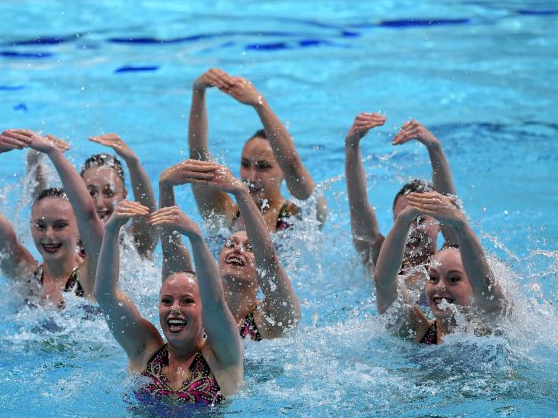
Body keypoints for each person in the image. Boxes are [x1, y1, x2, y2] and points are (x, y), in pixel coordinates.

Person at [94, 201, 243, 406]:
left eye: (187, 301)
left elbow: (216, 303)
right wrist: (111, 231)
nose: (174, 309)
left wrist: (196, 238)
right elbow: (105, 296)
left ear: (204, 309)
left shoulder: (222, 356)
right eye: (166, 301)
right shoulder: (145, 349)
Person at [159, 159, 300, 340]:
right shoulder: (195, 311)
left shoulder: (269, 321)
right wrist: (165, 186)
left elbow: (269, 260)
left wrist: (240, 192)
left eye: (250, 248)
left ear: (262, 275)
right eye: (230, 244)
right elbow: (171, 254)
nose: (238, 250)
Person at [188, 68, 327, 232]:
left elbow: (292, 165)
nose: (251, 177)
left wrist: (259, 104)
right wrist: (198, 91)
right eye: (245, 164)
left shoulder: (299, 219)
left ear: (283, 173)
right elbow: (198, 156)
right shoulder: (227, 217)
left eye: (263, 167)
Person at [0, 129, 103, 306]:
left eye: (60, 226)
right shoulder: (26, 275)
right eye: (40, 226)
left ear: (80, 230)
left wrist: (53, 153)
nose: (49, 235)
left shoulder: (92, 275)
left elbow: (88, 214)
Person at [373, 191, 508, 344]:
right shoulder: (418, 332)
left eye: (454, 279)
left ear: (473, 285)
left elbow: (485, 283)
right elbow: (383, 281)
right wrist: (402, 220)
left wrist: (460, 225)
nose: (440, 286)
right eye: (433, 278)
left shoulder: (489, 327)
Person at [345, 112, 457, 276]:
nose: (412, 229)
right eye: (403, 219)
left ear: (440, 223)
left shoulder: (453, 263)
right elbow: (358, 206)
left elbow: (451, 210)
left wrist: (434, 148)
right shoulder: (383, 262)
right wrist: (351, 145)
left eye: (420, 219)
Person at [83, 133, 158, 258]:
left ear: (124, 195)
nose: (100, 203)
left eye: (109, 193)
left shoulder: (135, 242)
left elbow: (148, 216)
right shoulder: (69, 242)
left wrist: (133, 163)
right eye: (91, 193)